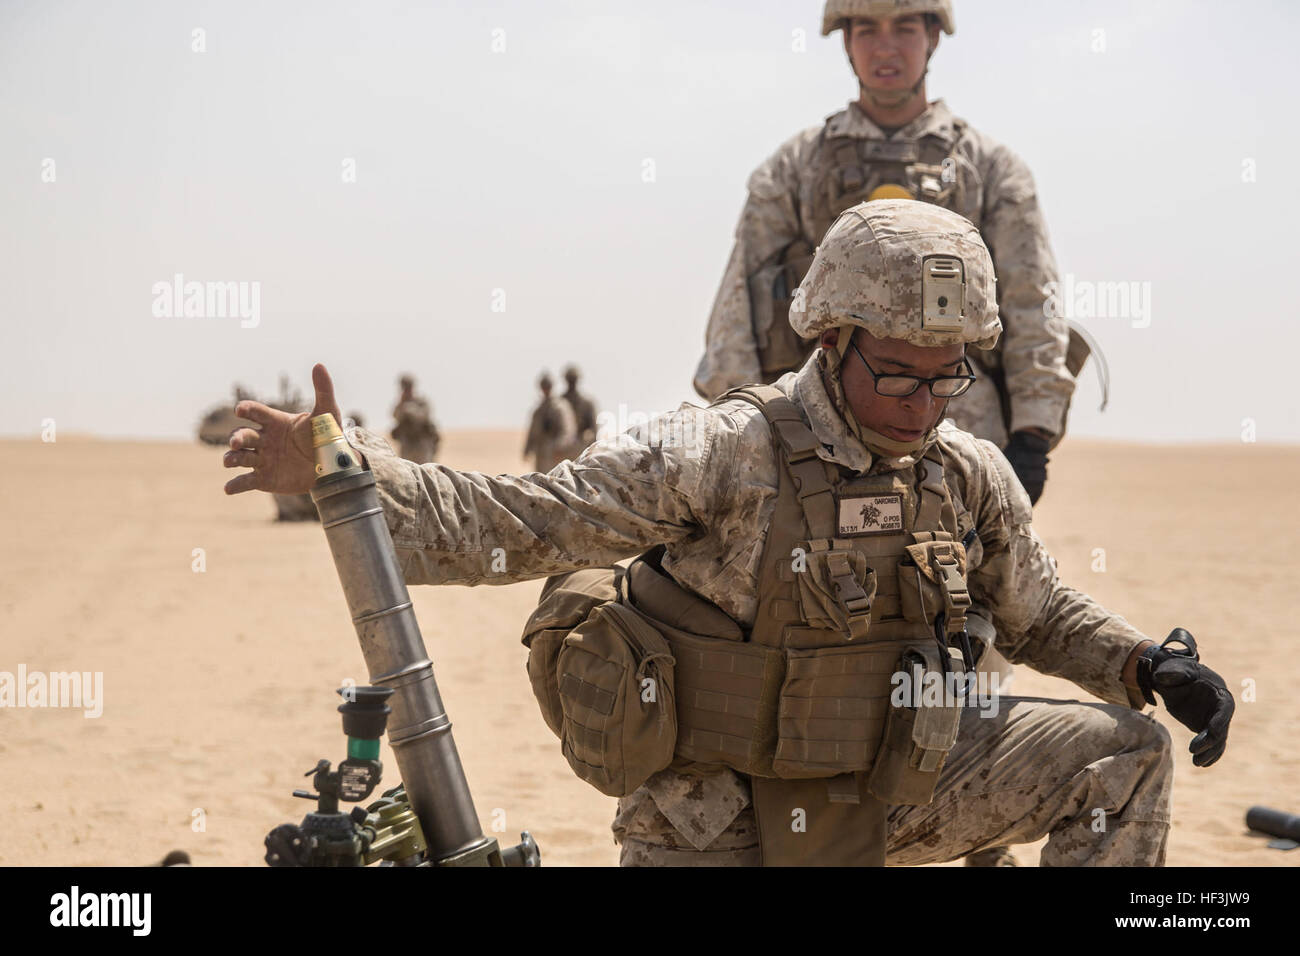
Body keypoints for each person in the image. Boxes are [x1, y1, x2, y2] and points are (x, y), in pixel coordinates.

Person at [222, 201, 1233, 867]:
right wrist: (346, 474)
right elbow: (518, 521)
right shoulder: (724, 451)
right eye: (898, 371)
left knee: (1123, 756)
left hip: (893, 791)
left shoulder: (961, 473)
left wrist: (1146, 662)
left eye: (949, 372)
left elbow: (1039, 611)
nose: (926, 401)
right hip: (717, 823)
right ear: (831, 340)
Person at [694, 0, 1073, 507]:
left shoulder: (990, 170)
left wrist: (1032, 437)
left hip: (959, 434)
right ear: (846, 41)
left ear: (933, 36)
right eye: (867, 29)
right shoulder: (795, 167)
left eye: (905, 28)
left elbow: (1032, 305)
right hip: (812, 438)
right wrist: (741, 432)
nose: (886, 47)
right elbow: (738, 306)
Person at [523, 373, 577, 473]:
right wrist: (527, 449)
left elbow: (567, 429)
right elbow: (533, 431)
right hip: (541, 453)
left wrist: (560, 446)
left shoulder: (559, 407)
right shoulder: (539, 409)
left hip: (556, 453)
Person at [391, 374, 440, 464]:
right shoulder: (401, 403)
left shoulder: (421, 401)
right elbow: (395, 416)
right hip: (407, 443)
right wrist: (402, 404)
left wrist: (409, 409)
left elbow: (424, 416)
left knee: (425, 469)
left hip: (422, 443)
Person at [561, 365, 598, 457]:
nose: (572, 382)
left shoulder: (587, 403)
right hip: (562, 448)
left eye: (573, 379)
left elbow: (594, 429)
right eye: (570, 379)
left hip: (581, 447)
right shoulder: (559, 403)